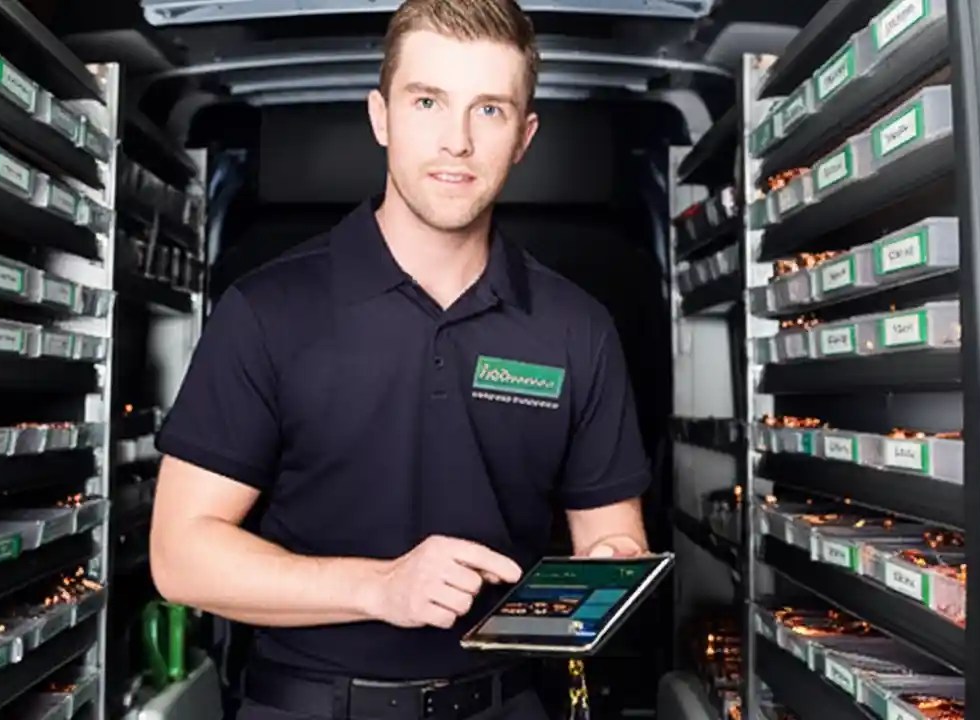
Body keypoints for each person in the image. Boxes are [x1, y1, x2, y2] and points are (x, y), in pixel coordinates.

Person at [150, 0, 652, 717]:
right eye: (427, 102)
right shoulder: (267, 310)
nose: (457, 142)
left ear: (524, 137)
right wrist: (380, 587)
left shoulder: (577, 328)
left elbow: (612, 534)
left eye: (489, 110)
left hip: (505, 704)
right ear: (381, 116)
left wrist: (610, 566)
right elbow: (180, 557)